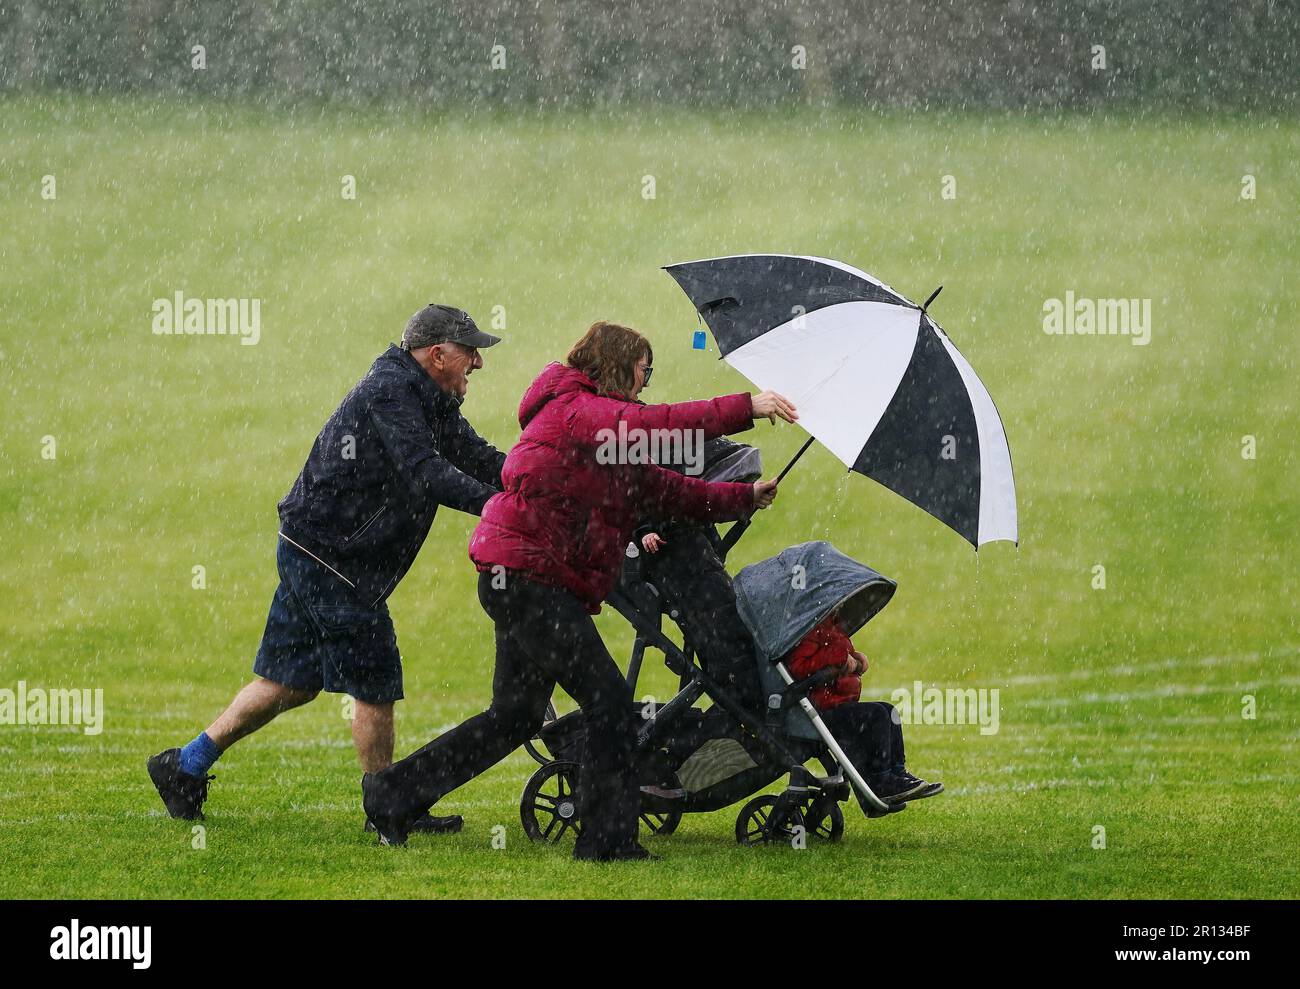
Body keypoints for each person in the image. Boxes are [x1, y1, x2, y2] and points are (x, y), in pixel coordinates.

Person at [363, 320, 798, 860]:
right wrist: (746, 407)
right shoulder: (581, 413)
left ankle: (391, 795)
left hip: (522, 580)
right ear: (617, 365)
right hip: (527, 581)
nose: (646, 381)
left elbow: (663, 489)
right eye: (643, 369)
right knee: (608, 699)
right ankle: (606, 841)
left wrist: (743, 496)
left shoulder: (604, 435)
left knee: (515, 715)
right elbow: (661, 425)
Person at [148, 304, 507, 836]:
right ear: (437, 354)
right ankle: (387, 806)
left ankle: (183, 766)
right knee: (375, 676)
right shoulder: (392, 391)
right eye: (469, 351)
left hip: (315, 545)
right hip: (331, 557)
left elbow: (472, 454)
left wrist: (531, 479)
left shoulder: (426, 396)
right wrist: (504, 508)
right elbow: (427, 473)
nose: (477, 362)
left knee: (289, 683)